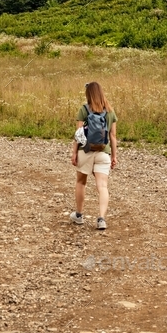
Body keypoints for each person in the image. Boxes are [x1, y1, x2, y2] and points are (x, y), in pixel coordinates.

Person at [70, 81, 117, 230]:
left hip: (86, 151)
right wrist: (114, 156)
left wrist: (74, 153)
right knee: (102, 186)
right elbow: (113, 136)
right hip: (104, 152)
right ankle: (101, 219)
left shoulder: (84, 109)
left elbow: (79, 134)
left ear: (88, 94)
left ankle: (79, 215)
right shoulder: (110, 111)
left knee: (81, 182)